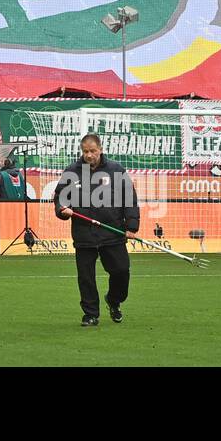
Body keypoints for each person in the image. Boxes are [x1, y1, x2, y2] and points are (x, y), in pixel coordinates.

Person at [53, 134, 139, 327]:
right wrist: (62, 209)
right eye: (85, 151)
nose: (89, 155)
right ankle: (90, 314)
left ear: (100, 149)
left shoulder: (116, 170)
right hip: (84, 233)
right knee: (86, 277)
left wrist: (131, 225)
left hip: (112, 232)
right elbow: (60, 196)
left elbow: (129, 198)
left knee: (121, 271)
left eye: (92, 151)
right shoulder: (72, 171)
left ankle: (114, 300)